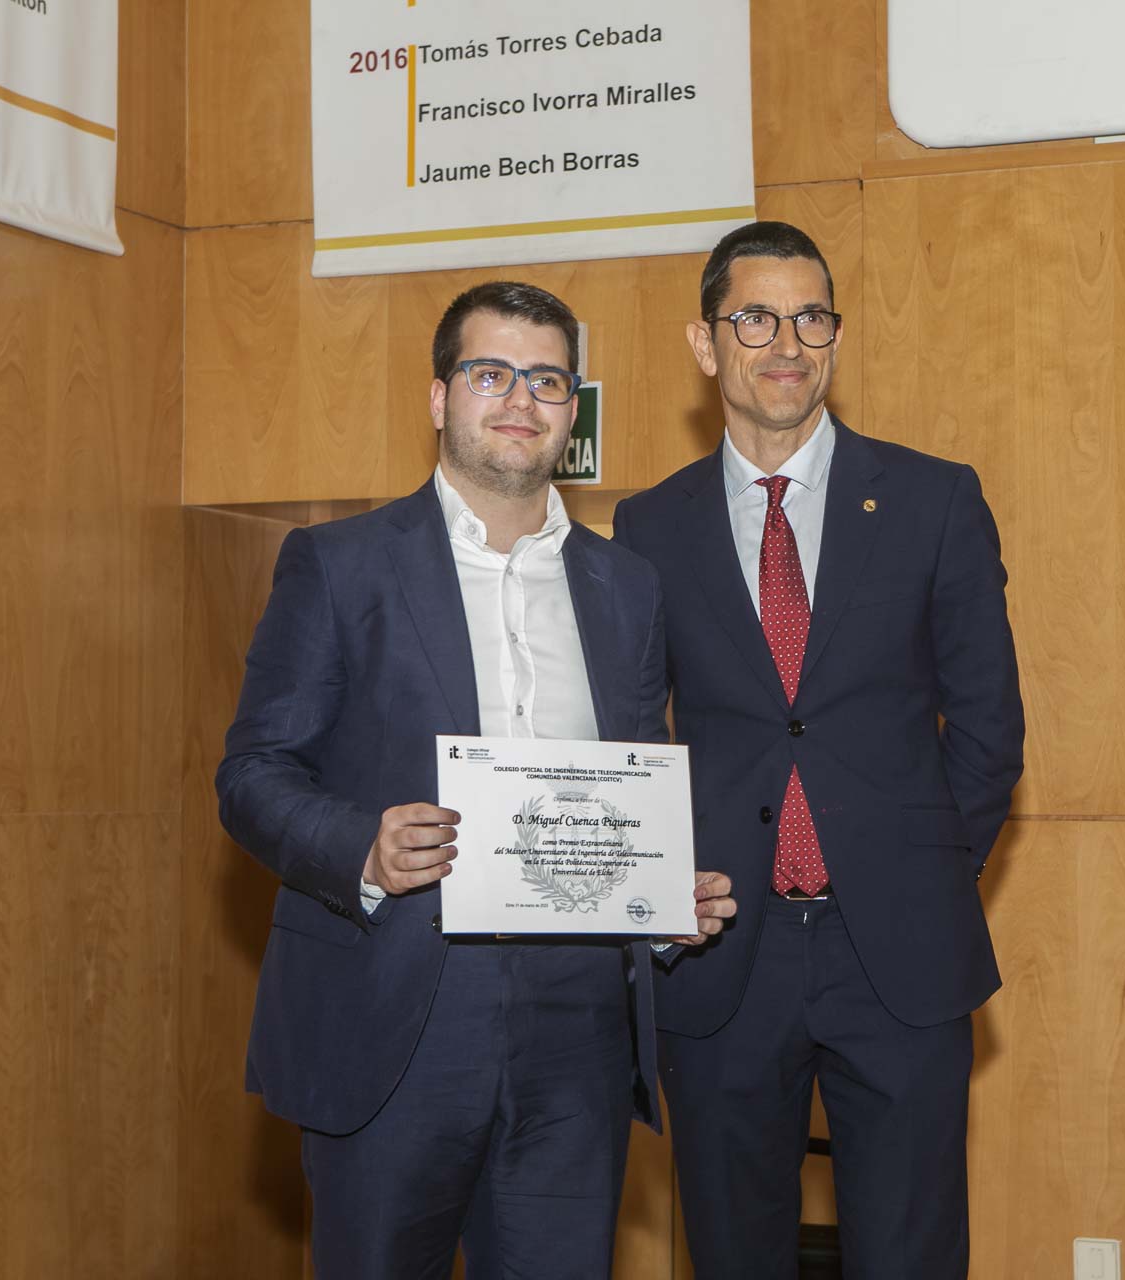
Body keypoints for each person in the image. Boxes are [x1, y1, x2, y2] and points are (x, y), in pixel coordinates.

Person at [217, 280, 735, 1279]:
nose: (518, 399)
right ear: (439, 396)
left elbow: (632, 785)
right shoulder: (338, 565)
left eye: (546, 379)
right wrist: (358, 843)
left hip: (578, 1027)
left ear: (571, 410)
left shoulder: (626, 587)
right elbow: (251, 772)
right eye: (489, 372)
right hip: (395, 1012)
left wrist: (660, 898)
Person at [614, 222, 1024, 1278]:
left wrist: (919, 872)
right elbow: (628, 737)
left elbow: (989, 728)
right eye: (755, 316)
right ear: (707, 345)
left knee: (911, 1253)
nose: (785, 340)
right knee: (732, 1251)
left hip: (895, 951)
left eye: (811, 316)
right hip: (719, 957)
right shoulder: (650, 526)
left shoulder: (935, 500)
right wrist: (661, 889)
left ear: (835, 337)